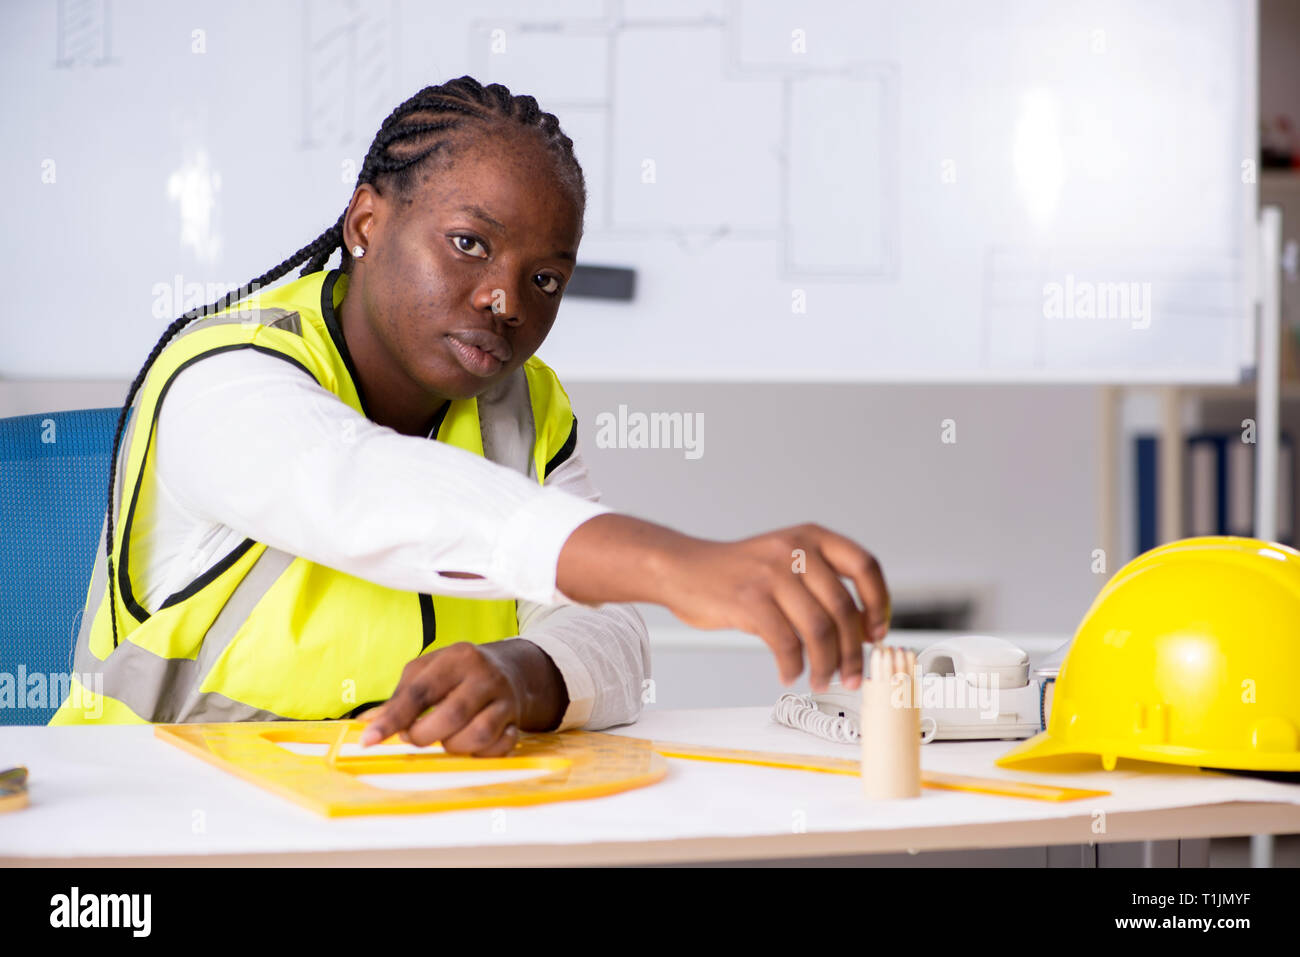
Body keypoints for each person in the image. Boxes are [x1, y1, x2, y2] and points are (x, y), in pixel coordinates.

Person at [51, 76, 890, 755]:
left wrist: (519, 674)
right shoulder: (223, 373)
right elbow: (362, 490)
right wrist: (677, 564)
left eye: (545, 279)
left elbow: (607, 634)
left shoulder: (525, 403)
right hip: (159, 818)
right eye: (469, 243)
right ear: (367, 222)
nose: (504, 300)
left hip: (397, 823)